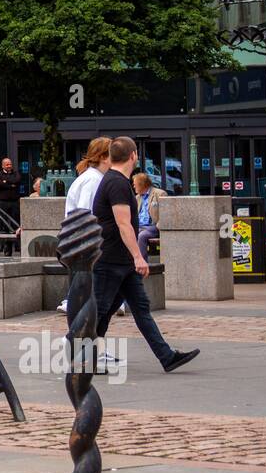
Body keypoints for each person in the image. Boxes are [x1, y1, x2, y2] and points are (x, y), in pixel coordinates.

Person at [88, 137, 198, 373]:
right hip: (110, 260)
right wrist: (139, 256)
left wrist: (132, 259)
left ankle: (167, 357)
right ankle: (83, 354)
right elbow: (123, 224)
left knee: (138, 308)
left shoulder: (117, 181)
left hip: (120, 261)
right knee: (100, 311)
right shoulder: (116, 183)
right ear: (133, 156)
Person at [58, 137, 112, 313]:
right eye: (113, 154)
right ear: (104, 157)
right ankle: (72, 302)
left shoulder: (92, 177)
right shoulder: (93, 180)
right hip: (84, 239)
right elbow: (85, 211)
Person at [132, 172, 165, 259]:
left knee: (142, 236)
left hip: (153, 227)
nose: (133, 186)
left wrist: (159, 225)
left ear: (142, 184)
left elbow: (166, 214)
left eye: (135, 184)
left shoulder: (160, 194)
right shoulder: (137, 198)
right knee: (128, 233)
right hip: (140, 227)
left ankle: (142, 265)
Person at [0, 156, 22, 223]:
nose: (9, 166)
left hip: (14, 202)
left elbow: (17, 180)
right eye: (7, 164)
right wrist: (11, 185)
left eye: (10, 164)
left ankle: (14, 231)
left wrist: (5, 182)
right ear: (3, 166)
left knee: (15, 219)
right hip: (3, 202)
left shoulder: (15, 173)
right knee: (3, 219)